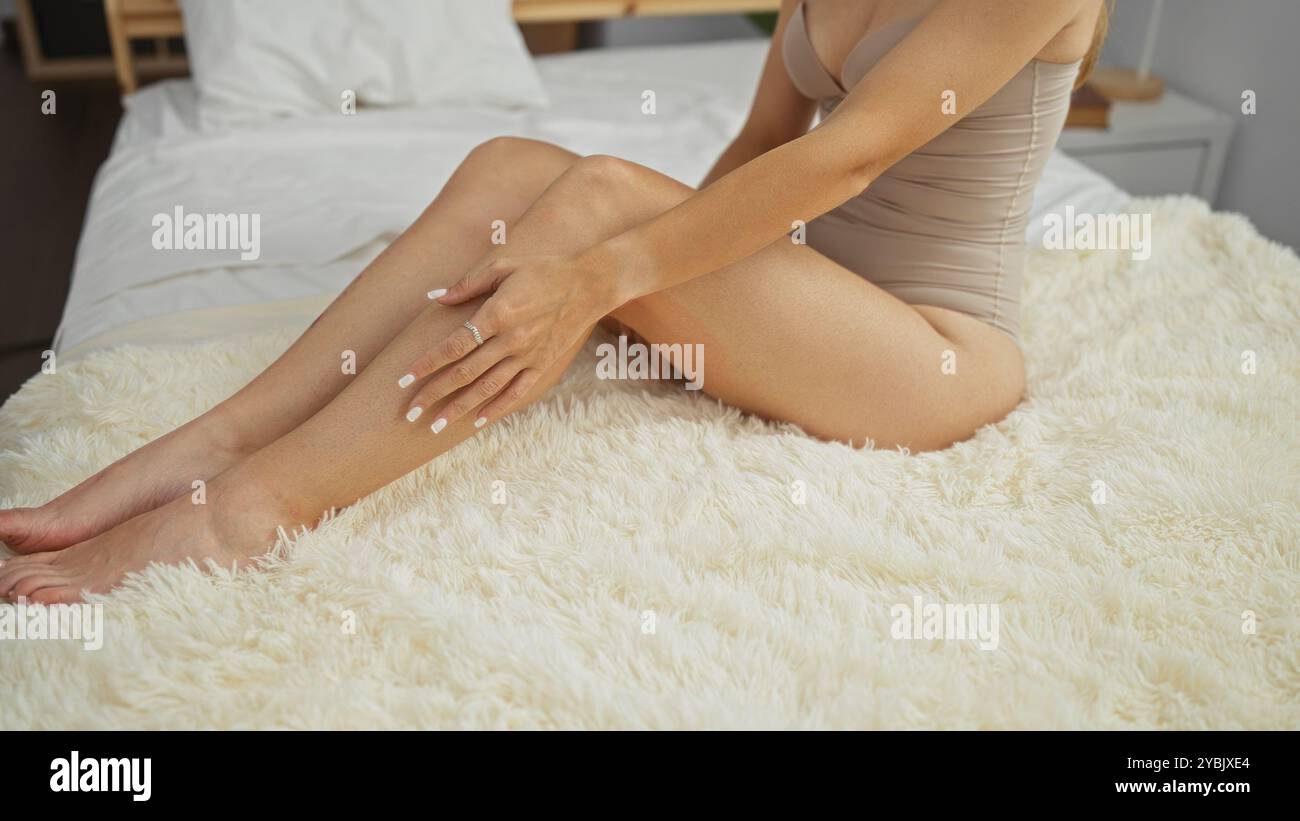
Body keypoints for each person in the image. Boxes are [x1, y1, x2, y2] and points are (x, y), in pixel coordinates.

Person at [0, 0, 1107, 601]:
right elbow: (762, 145)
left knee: (596, 197)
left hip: (930, 353)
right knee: (511, 165)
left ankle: (243, 512)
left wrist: (604, 272)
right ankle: (220, 435)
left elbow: (842, 160)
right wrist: (667, 297)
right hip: (812, 301)